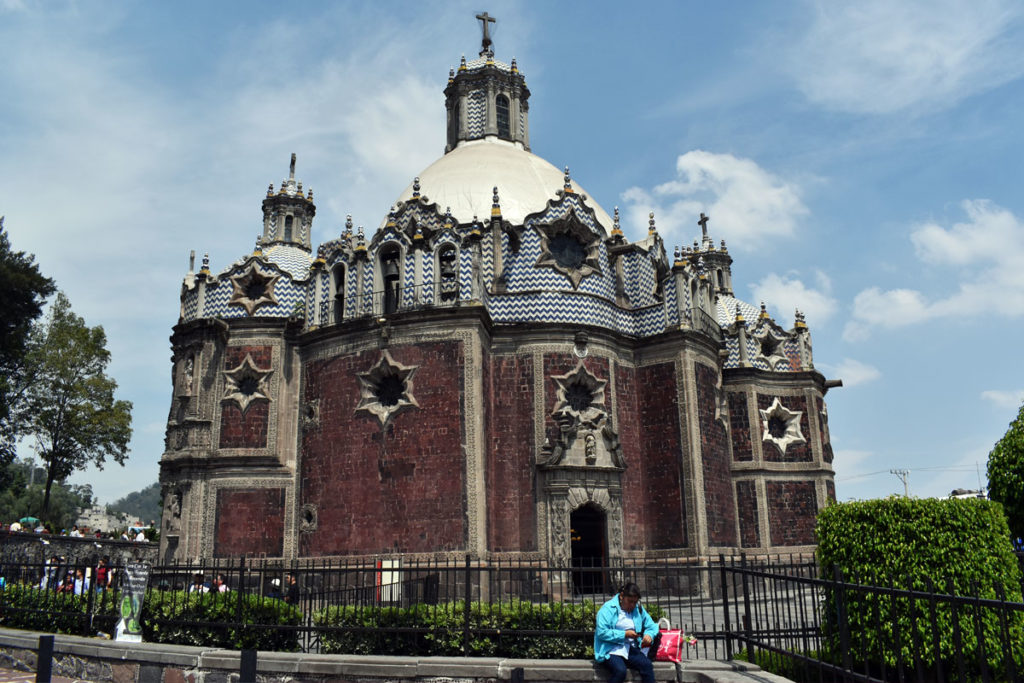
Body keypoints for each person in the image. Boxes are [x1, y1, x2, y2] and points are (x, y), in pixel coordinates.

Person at [594, 583, 659, 683]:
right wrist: (624, 634)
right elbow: (602, 632)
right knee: (620, 671)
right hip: (611, 649)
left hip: (630, 649)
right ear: (622, 596)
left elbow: (652, 626)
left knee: (647, 666)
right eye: (630, 601)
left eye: (635, 602)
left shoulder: (638, 609)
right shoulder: (607, 609)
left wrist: (649, 635)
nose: (632, 605)